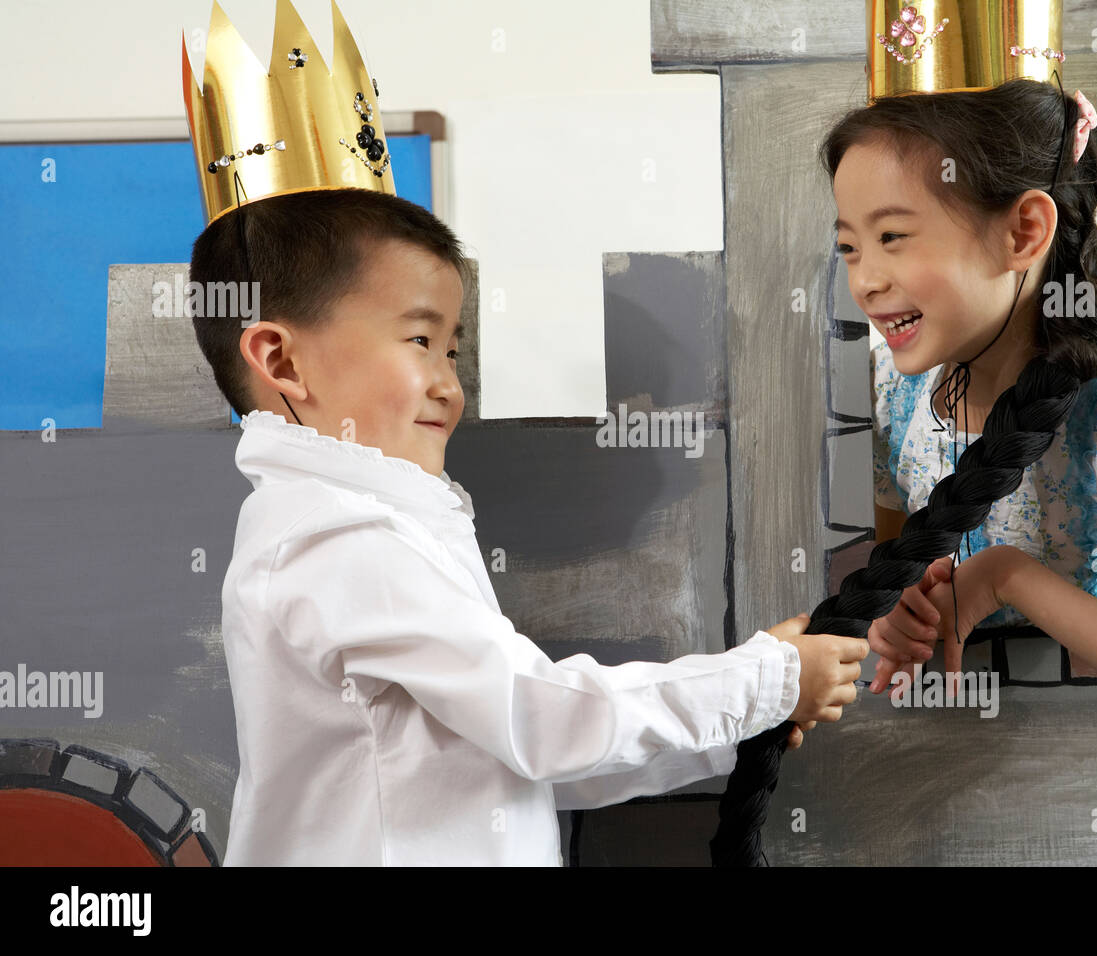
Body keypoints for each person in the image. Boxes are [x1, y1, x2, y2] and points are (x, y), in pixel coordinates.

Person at [190, 188, 868, 865]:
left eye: (451, 352)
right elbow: (542, 719)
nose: (448, 385)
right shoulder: (343, 540)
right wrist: (761, 681)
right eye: (420, 341)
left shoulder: (367, 525)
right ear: (281, 362)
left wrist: (748, 717)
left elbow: (518, 761)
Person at [828, 80, 1097, 717]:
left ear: (1024, 231)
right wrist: (899, 618)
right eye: (850, 247)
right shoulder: (894, 396)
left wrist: (1003, 577)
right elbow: (902, 570)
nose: (866, 281)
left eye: (892, 238)